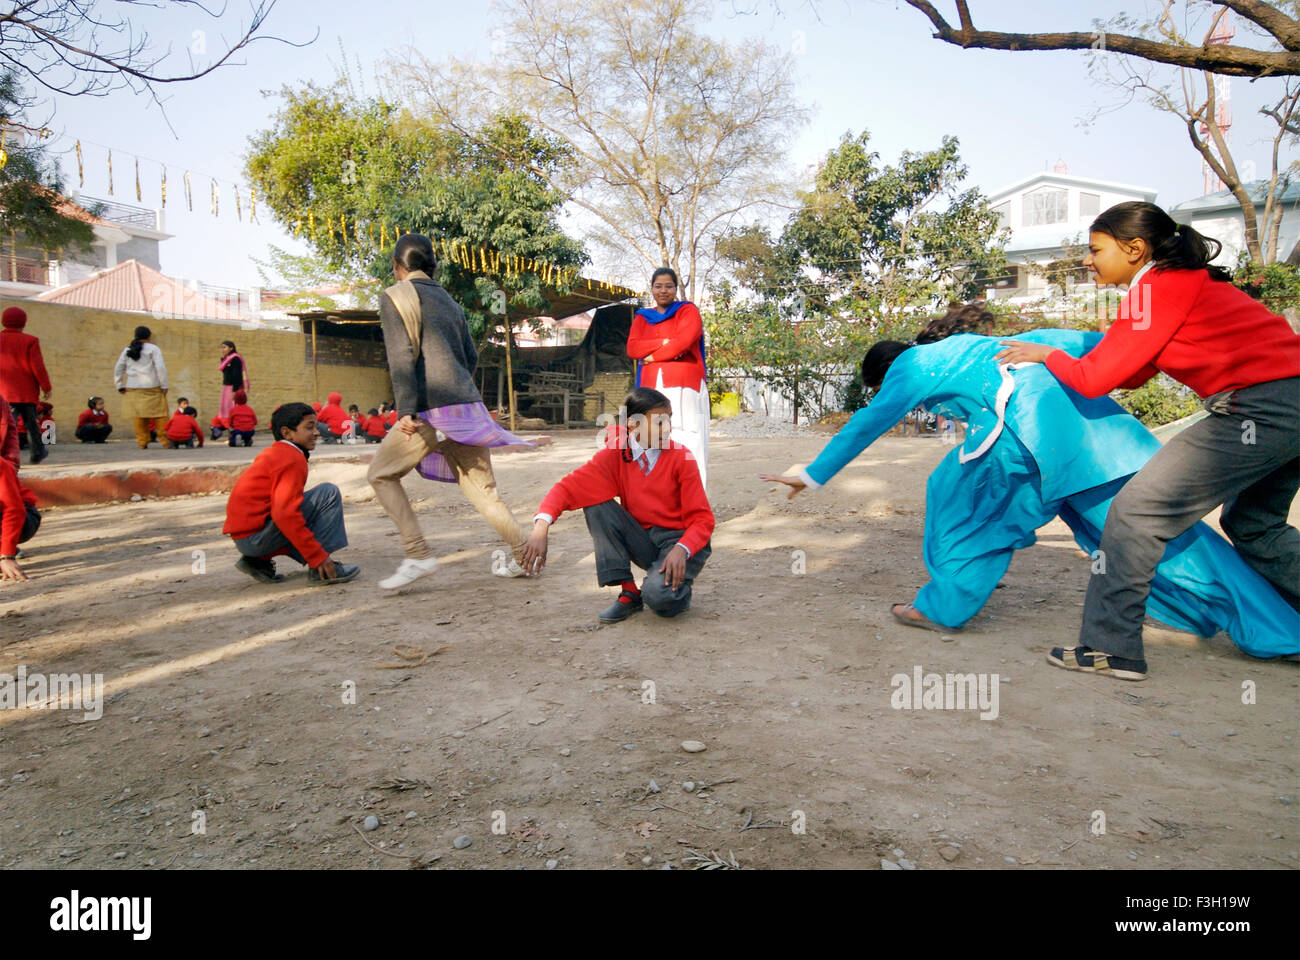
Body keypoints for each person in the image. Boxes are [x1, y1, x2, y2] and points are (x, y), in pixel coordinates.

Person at [760, 312, 1298, 669]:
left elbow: (870, 420)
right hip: (1101, 447)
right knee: (1167, 541)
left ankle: (943, 607)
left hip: (1027, 451)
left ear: (886, 369)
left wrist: (812, 473)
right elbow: (1106, 346)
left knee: (960, 509)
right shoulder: (993, 343)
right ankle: (1280, 631)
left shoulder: (911, 366)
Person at [997, 201, 1300, 681]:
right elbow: (1134, 374)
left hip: (1263, 408)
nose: (1088, 261)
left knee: (1137, 513)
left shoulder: (1156, 290)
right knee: (1254, 525)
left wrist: (1046, 354)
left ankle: (1109, 649)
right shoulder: (1178, 285)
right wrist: (1107, 341)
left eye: (1097, 250)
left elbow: (1094, 380)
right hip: (1291, 402)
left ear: (1135, 249)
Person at [367, 233, 534, 590]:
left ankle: (417, 553)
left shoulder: (395, 296)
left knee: (381, 474)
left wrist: (407, 409)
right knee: (483, 492)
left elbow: (400, 358)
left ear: (398, 266)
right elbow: (470, 357)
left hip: (428, 410)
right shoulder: (450, 301)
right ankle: (525, 556)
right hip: (467, 408)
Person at [521, 387, 715, 623]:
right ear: (633, 425)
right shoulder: (616, 455)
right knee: (595, 504)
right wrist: (541, 527)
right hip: (645, 539)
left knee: (659, 598)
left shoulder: (682, 458)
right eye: (659, 423)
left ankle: (676, 590)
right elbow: (568, 487)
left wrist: (682, 549)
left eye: (669, 420)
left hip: (680, 542)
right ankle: (630, 591)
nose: (668, 429)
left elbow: (703, 519)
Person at [222, 401, 359, 586]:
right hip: (256, 539)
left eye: (316, 427)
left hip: (247, 539)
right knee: (328, 494)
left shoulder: (278, 452)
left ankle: (257, 562)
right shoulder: (291, 458)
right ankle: (321, 570)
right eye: (309, 428)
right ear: (287, 433)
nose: (317, 433)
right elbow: (285, 514)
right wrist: (317, 556)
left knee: (301, 506)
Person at [626, 268, 710, 488]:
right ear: (652, 288)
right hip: (652, 387)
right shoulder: (643, 317)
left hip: (685, 386)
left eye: (669, 286)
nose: (663, 291)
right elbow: (633, 349)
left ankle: (694, 502)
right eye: (658, 286)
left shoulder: (688, 311)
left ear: (675, 288)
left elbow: (684, 342)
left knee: (689, 438)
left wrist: (652, 355)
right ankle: (659, 501)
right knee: (652, 440)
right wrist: (666, 342)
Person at [0, 306, 53, 465]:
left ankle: (4, 454)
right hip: (26, 392)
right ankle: (38, 452)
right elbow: (38, 366)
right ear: (23, 323)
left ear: (3, 321)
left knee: (7, 424)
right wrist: (46, 387)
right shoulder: (31, 341)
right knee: (32, 424)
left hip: (3, 391)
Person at [0, 397, 40, 582]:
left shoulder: (2, 467)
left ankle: (6, 547)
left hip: (23, 516)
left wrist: (7, 556)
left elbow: (13, 510)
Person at [114, 326, 170, 449]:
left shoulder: (127, 350)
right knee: (160, 414)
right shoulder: (154, 349)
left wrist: (119, 385)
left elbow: (119, 368)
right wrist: (164, 384)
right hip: (152, 386)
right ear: (149, 336)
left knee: (139, 416)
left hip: (133, 386)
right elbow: (160, 367)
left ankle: (142, 442)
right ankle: (165, 440)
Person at [218, 341, 250, 423]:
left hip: (232, 388)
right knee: (226, 410)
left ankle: (236, 427)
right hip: (226, 387)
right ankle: (229, 428)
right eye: (221, 347)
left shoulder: (235, 359)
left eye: (224, 347)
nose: (222, 349)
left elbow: (237, 376)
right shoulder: (226, 359)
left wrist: (235, 391)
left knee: (233, 408)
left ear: (231, 348)